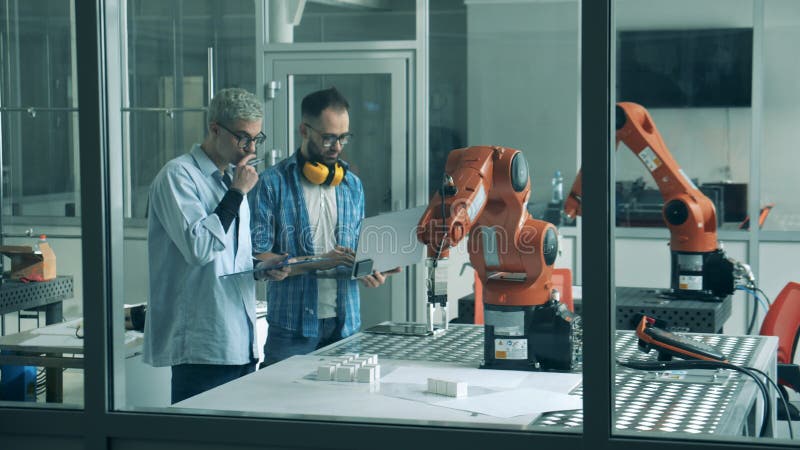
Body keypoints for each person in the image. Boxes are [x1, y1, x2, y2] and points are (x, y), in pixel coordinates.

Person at [144, 88, 290, 404]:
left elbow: (228, 258)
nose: (251, 148)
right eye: (243, 138)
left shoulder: (231, 181)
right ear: (215, 129)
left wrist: (261, 268)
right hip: (203, 346)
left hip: (241, 343)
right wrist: (236, 193)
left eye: (256, 139)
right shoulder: (179, 176)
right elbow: (199, 249)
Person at [251, 86, 399, 367]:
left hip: (346, 328)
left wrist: (372, 269)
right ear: (304, 130)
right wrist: (318, 262)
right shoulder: (271, 183)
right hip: (291, 330)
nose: (338, 147)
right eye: (329, 137)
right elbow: (257, 258)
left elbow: (356, 250)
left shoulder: (352, 185)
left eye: (344, 137)